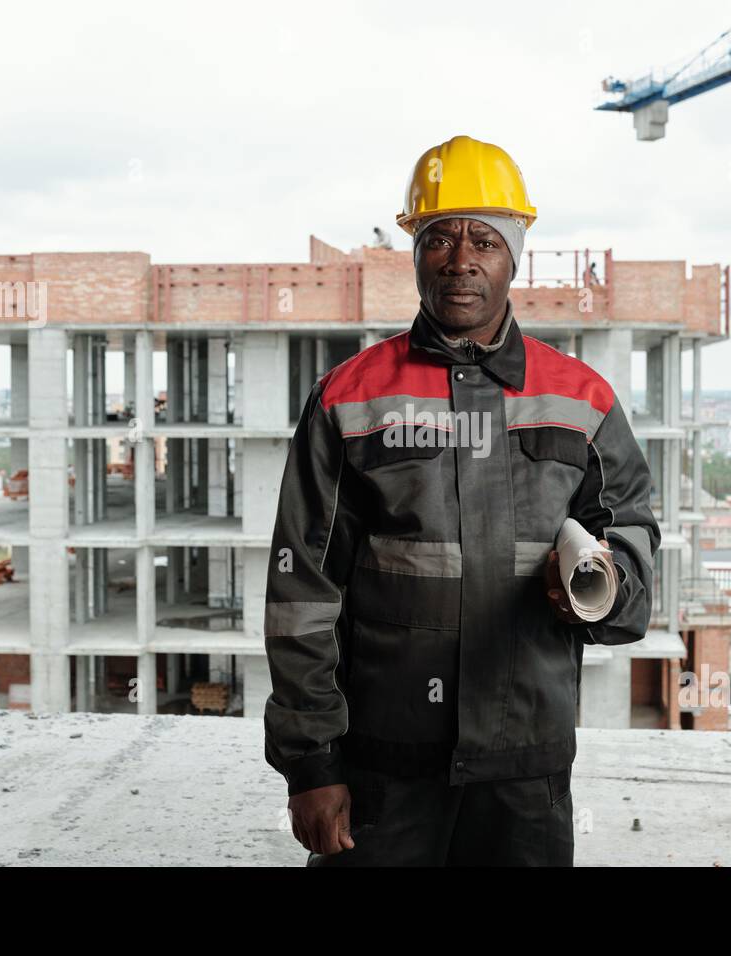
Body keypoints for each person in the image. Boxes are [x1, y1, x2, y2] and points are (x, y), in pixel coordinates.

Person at [262, 134, 661, 866]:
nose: (462, 257)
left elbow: (631, 535)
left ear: (514, 256)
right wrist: (311, 764)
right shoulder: (349, 397)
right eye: (440, 237)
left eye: (485, 238)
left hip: (526, 769)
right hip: (382, 765)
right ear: (414, 251)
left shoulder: (581, 399)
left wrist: (602, 590)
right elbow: (301, 593)